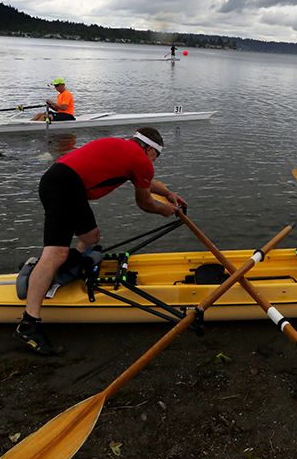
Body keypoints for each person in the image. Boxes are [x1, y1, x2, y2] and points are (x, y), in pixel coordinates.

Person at [15, 127, 187, 355]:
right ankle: (29, 323)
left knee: (91, 237)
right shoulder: (140, 160)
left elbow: (147, 182)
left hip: (60, 181)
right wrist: (167, 210)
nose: (156, 161)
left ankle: (66, 269)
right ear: (148, 149)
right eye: (157, 156)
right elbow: (145, 202)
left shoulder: (122, 148)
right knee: (56, 253)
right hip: (64, 188)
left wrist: (168, 194)